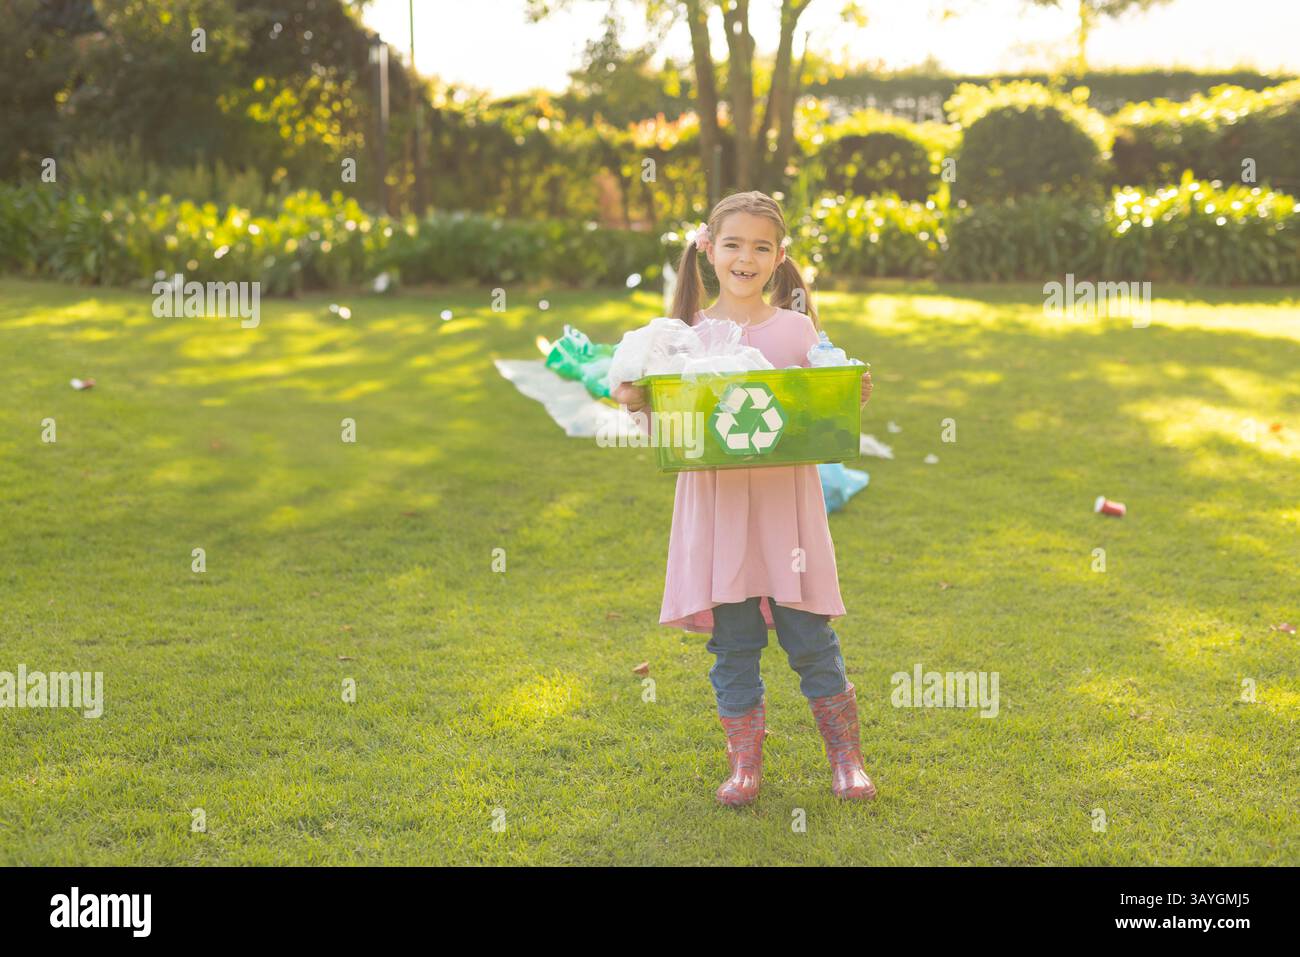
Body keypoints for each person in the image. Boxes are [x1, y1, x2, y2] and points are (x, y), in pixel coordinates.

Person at [611, 190, 877, 807]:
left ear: (780, 257)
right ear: (708, 251)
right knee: (733, 643)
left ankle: (847, 760)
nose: (746, 257)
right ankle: (744, 768)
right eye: (733, 244)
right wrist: (637, 400)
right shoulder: (683, 338)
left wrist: (848, 393)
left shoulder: (795, 329)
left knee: (810, 637)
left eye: (761, 247)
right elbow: (672, 426)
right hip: (719, 513)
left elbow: (819, 409)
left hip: (786, 515)